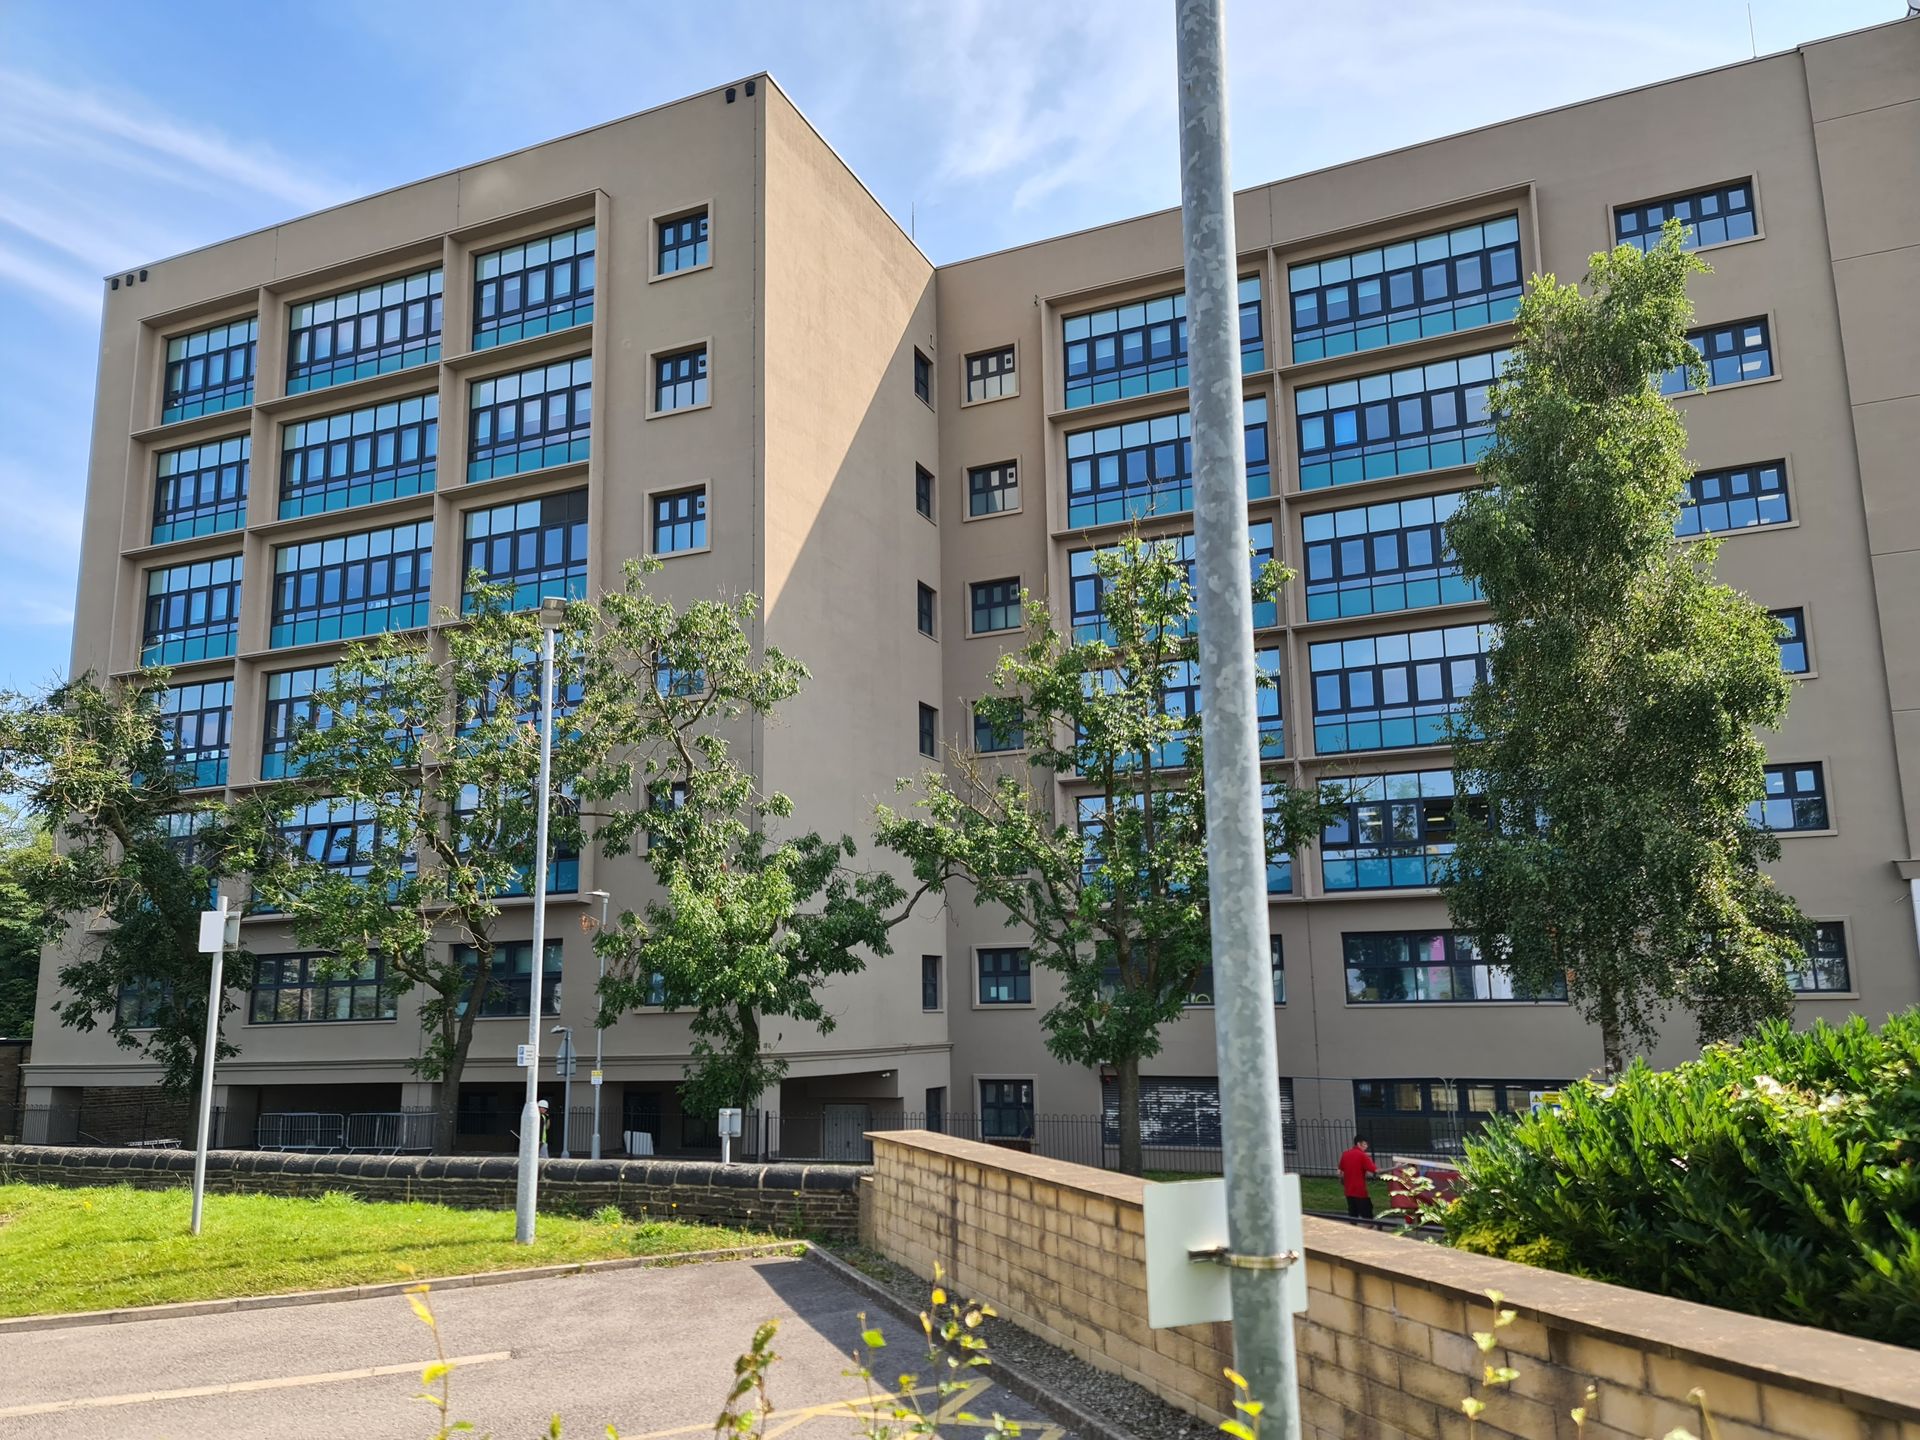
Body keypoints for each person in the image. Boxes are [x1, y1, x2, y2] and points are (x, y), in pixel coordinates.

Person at [1337, 1135, 1379, 1219]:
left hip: (1348, 1191)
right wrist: (1395, 1167)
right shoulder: (1362, 1155)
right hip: (1360, 1192)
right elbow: (1376, 1170)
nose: (1366, 1146)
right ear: (1358, 1144)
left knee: (1353, 1216)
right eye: (1364, 1144)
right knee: (1368, 1218)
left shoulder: (1345, 1154)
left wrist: (1342, 1181)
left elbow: (1340, 1172)